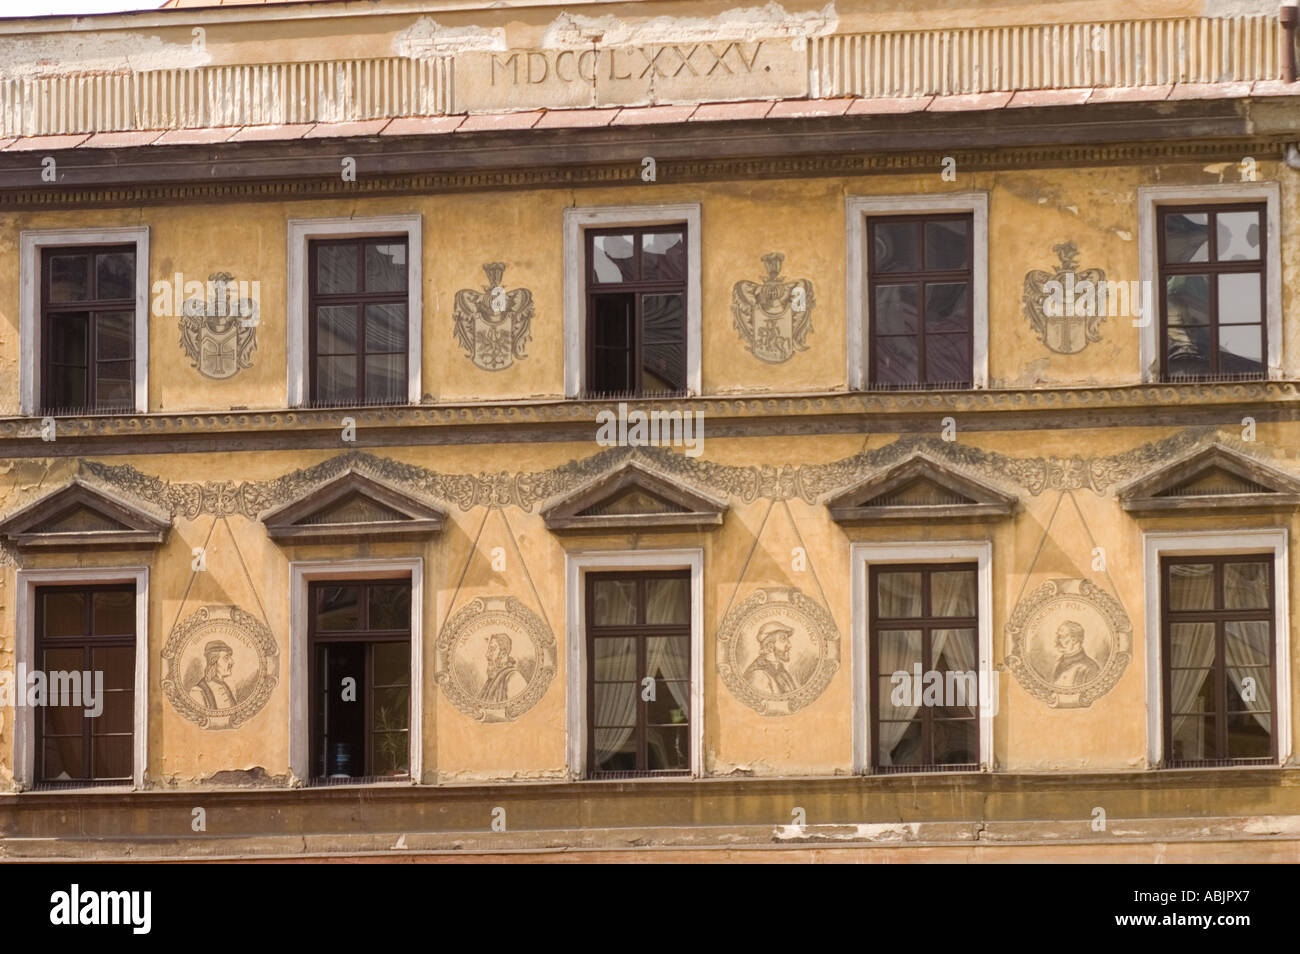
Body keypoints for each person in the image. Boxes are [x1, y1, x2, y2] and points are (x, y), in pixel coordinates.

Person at [744, 621, 798, 696]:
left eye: (787, 639)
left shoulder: (782, 671)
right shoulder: (758, 675)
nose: (789, 645)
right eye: (783, 639)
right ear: (770, 646)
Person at [189, 639, 237, 709]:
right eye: (226, 658)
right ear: (213, 661)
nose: (232, 662)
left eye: (230, 657)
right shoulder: (198, 691)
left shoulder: (229, 687)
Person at [479, 632, 526, 703]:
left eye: (492, 649)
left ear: (503, 654)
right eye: (489, 650)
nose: (487, 655)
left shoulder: (514, 678)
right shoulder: (491, 680)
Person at [1051, 620, 1100, 687]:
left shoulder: (1090, 667)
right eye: (1057, 636)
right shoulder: (1059, 663)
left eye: (1061, 637)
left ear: (1074, 640)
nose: (1056, 641)